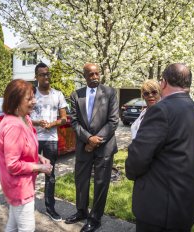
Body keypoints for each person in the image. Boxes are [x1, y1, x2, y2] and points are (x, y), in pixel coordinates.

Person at [125, 63, 194, 232]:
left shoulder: (161, 110)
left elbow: (138, 158)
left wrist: (131, 172)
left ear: (163, 82)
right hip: (187, 200)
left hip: (161, 207)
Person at [65, 63, 119, 232]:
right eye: (91, 74)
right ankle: (81, 211)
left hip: (105, 147)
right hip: (83, 146)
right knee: (81, 181)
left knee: (101, 183)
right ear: (85, 76)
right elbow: (73, 121)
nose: (95, 77)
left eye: (97, 73)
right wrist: (88, 138)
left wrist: (96, 141)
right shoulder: (76, 95)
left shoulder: (110, 93)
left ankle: (95, 219)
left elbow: (113, 121)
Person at [0, 79, 53, 232]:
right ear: (16, 101)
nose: (34, 101)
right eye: (29, 99)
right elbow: (13, 165)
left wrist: (39, 157)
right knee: (26, 228)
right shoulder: (13, 126)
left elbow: (27, 146)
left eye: (33, 97)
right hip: (19, 188)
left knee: (13, 225)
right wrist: (40, 167)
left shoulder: (25, 118)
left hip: (22, 185)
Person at [30, 62, 68, 221]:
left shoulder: (58, 94)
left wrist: (52, 124)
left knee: (50, 174)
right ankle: (27, 203)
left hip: (51, 139)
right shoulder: (32, 95)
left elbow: (64, 118)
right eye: (42, 74)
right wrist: (38, 123)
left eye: (47, 74)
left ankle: (50, 208)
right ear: (36, 77)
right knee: (30, 172)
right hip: (34, 138)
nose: (46, 77)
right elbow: (25, 118)